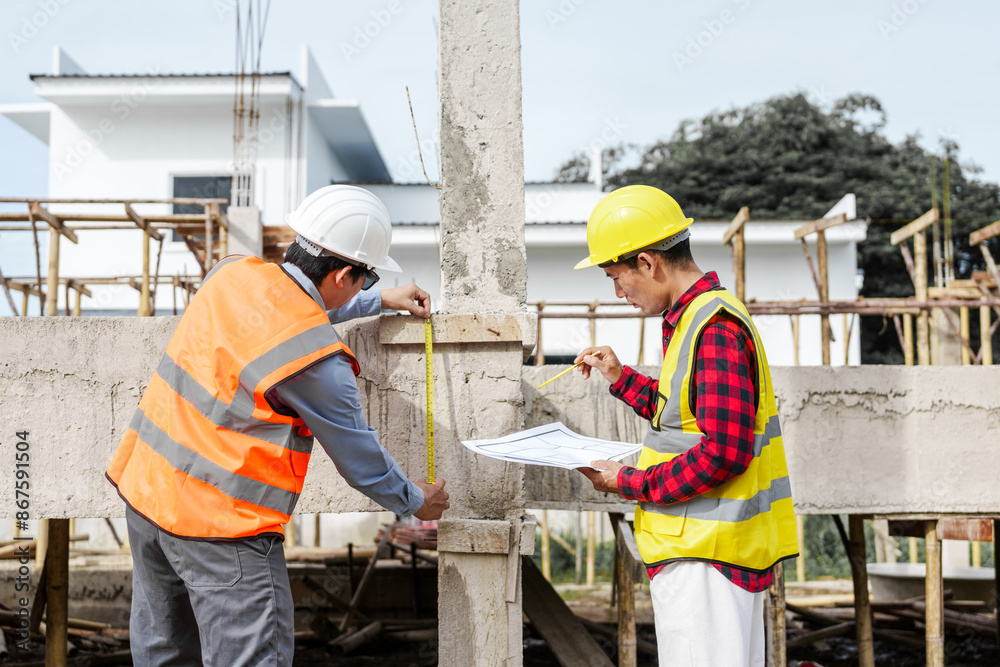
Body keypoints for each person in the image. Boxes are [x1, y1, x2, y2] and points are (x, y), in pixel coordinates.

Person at [106, 185, 449, 666]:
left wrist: (376, 301)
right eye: (365, 282)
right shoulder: (319, 364)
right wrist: (417, 501)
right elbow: (362, 463)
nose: (363, 290)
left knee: (164, 655)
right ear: (346, 274)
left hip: (146, 495)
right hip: (223, 531)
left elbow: (284, 305)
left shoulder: (230, 274)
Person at [573, 185, 797, 667]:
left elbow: (723, 452)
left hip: (708, 556)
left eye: (617, 277)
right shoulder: (693, 318)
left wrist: (626, 481)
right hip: (701, 549)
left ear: (649, 263)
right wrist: (619, 376)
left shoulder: (712, 326)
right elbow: (683, 417)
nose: (618, 293)